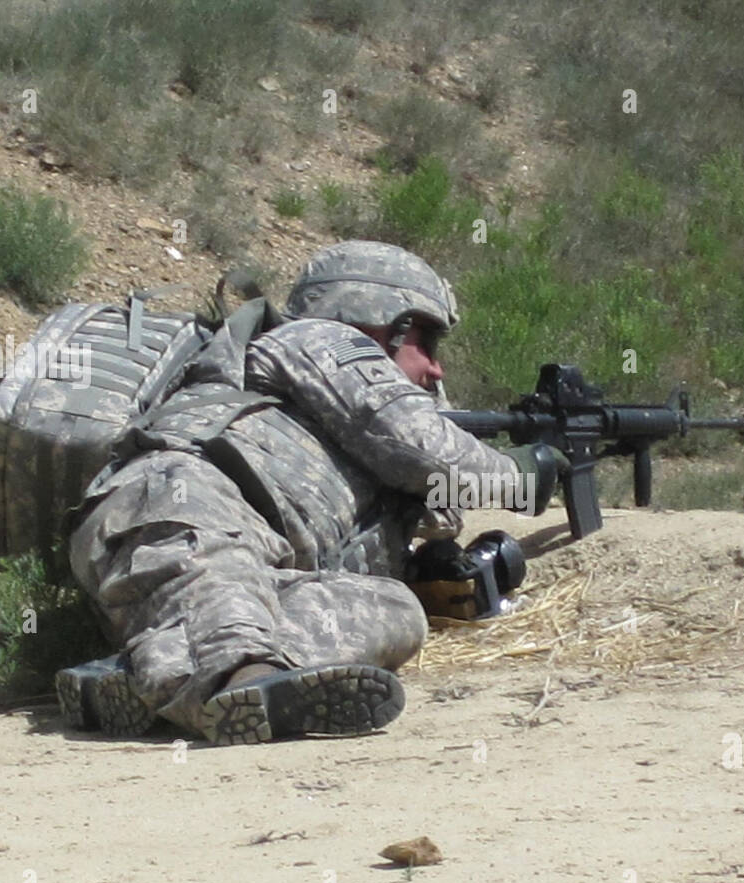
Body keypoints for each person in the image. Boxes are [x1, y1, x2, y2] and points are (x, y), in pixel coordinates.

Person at [56, 240, 566, 746]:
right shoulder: (320, 340)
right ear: (386, 320)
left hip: (216, 560)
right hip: (185, 500)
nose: (437, 370)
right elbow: (424, 449)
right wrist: (519, 472)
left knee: (395, 609)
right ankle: (240, 683)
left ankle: (137, 676)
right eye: (427, 342)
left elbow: (430, 500)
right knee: (230, 606)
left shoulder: (334, 411)